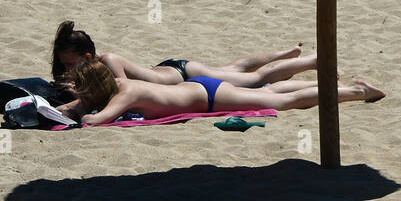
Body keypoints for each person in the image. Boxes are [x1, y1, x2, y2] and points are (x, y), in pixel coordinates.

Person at [61, 56, 384, 125]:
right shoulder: (118, 86)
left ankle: (357, 92)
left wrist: (78, 113)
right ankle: (330, 84)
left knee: (284, 101)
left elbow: (96, 119)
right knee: (270, 90)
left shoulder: (125, 94)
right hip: (200, 90)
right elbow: (87, 106)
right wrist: (66, 107)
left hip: (210, 98)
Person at [50, 20, 316, 90]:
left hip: (184, 74)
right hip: (170, 70)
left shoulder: (108, 60)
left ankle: (312, 62)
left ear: (87, 57)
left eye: (71, 64)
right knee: (234, 69)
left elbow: (123, 88)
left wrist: (78, 93)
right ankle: (284, 54)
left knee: (255, 80)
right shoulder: (86, 71)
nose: (67, 70)